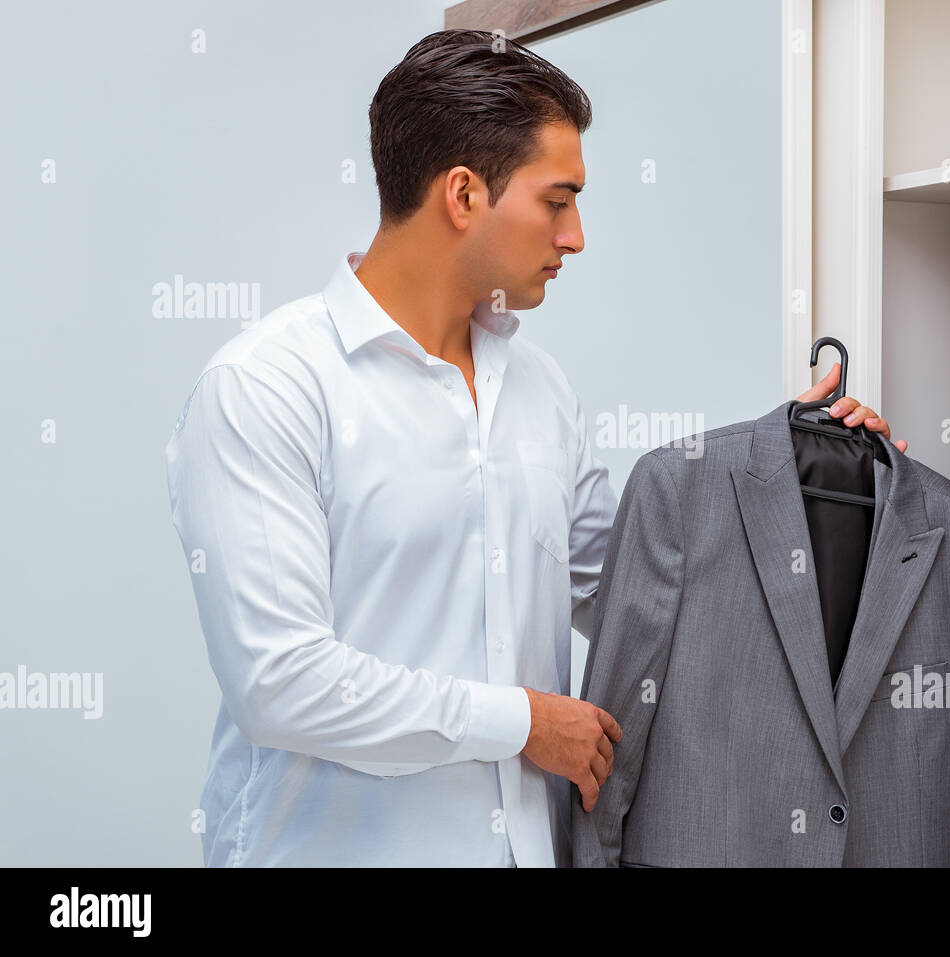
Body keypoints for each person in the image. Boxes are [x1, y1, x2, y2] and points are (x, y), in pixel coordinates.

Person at [163, 28, 906, 867]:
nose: (576, 235)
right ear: (463, 194)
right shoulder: (267, 387)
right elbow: (280, 683)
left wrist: (800, 468)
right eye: (558, 201)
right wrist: (523, 722)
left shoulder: (539, 389)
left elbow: (634, 583)